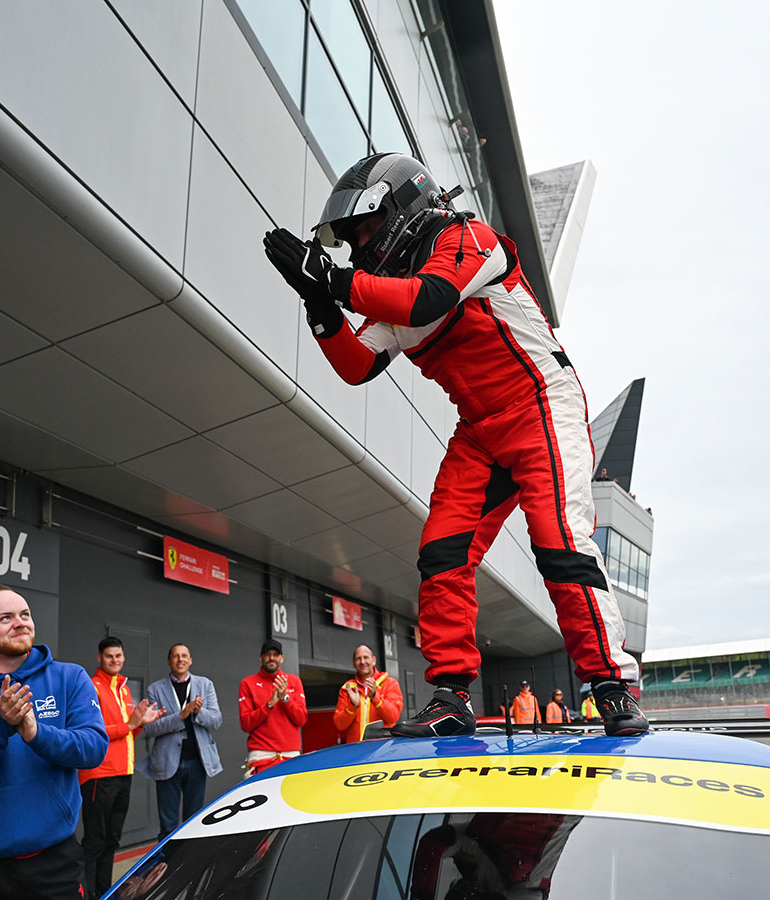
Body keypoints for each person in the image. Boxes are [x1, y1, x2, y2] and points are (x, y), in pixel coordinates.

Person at [264, 152, 648, 739]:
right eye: (353, 239)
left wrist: (333, 283)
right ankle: (451, 695)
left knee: (559, 544)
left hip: (541, 401)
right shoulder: (384, 288)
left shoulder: (469, 238)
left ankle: (613, 686)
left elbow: (426, 300)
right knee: (442, 550)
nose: (360, 246)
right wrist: (317, 300)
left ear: (402, 208)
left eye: (366, 228)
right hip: (481, 427)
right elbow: (357, 363)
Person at [0, 583, 108, 899]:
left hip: (55, 861)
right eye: (5, 618)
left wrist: (36, 734)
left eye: (25, 614)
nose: (20, 622)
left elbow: (93, 748)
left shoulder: (70, 677)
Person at [79, 637, 165, 899]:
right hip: (98, 775)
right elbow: (90, 732)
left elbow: (126, 734)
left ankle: (104, 893)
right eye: (109, 656)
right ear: (99, 658)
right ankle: (87, 894)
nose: (114, 660)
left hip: (123, 774)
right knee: (94, 843)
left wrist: (139, 723)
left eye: (118, 656)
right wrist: (129, 725)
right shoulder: (91, 688)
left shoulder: (124, 690)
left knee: (111, 841)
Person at [140, 644, 223, 841]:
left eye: (184, 655)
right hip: (167, 763)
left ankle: (189, 864)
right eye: (175, 656)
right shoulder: (155, 690)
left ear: (190, 660)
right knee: (168, 825)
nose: (180, 660)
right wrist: (180, 716)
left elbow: (217, 720)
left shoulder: (205, 685)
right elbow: (149, 729)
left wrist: (197, 712)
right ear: (169, 661)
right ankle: (165, 865)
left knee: (194, 821)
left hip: (197, 761)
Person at [238, 638, 307, 777]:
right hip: (261, 756)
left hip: (290, 755)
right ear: (260, 658)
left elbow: (301, 720)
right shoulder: (247, 683)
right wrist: (269, 705)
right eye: (267, 654)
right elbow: (246, 724)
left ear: (282, 658)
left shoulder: (294, 681)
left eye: (275, 654)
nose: (271, 658)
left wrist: (285, 699)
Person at [333, 644, 403, 742]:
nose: (362, 662)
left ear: (373, 660)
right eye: (358, 659)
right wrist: (353, 706)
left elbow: (393, 717)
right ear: (353, 663)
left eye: (366, 657)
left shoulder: (390, 683)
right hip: (356, 749)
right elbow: (340, 725)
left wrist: (375, 697)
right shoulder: (348, 688)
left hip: (382, 747)